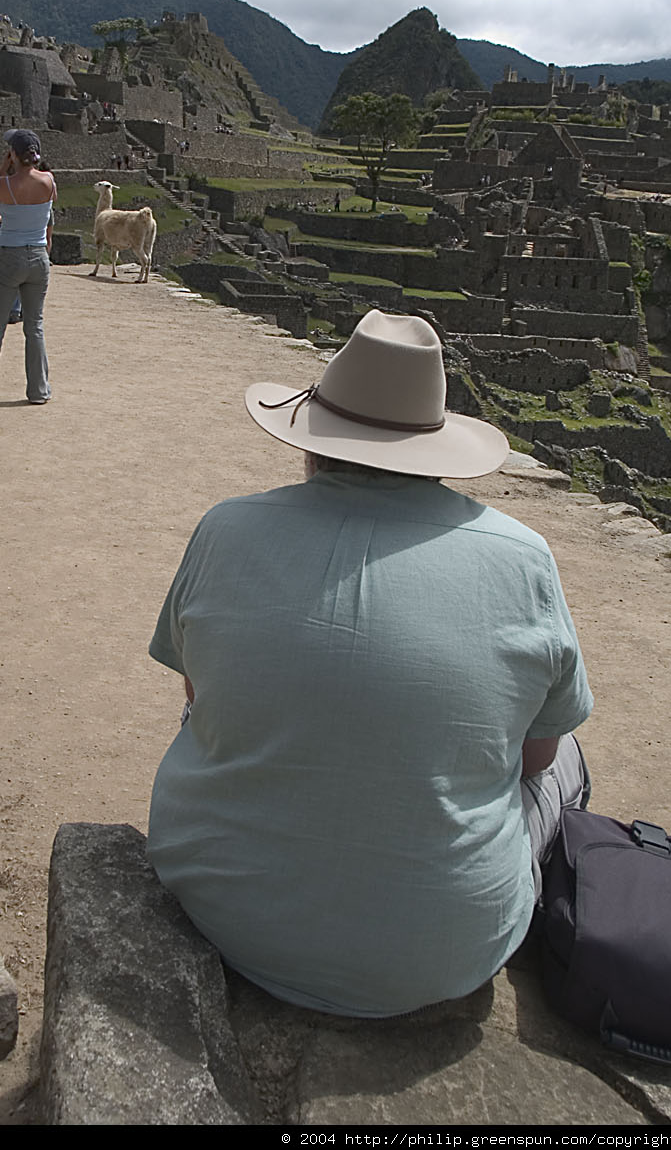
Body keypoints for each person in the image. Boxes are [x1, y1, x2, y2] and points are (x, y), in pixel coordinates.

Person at [146, 309, 593, 1018]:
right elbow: (533, 759)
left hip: (226, 911)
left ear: (311, 442)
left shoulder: (225, 527)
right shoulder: (521, 556)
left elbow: (198, 693)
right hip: (447, 952)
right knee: (566, 751)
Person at [0, 130, 56, 405]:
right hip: (38, 256)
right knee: (34, 326)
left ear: (13, 154)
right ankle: (39, 390)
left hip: (9, 255)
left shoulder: (4, 184)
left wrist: (3, 169)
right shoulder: (49, 181)